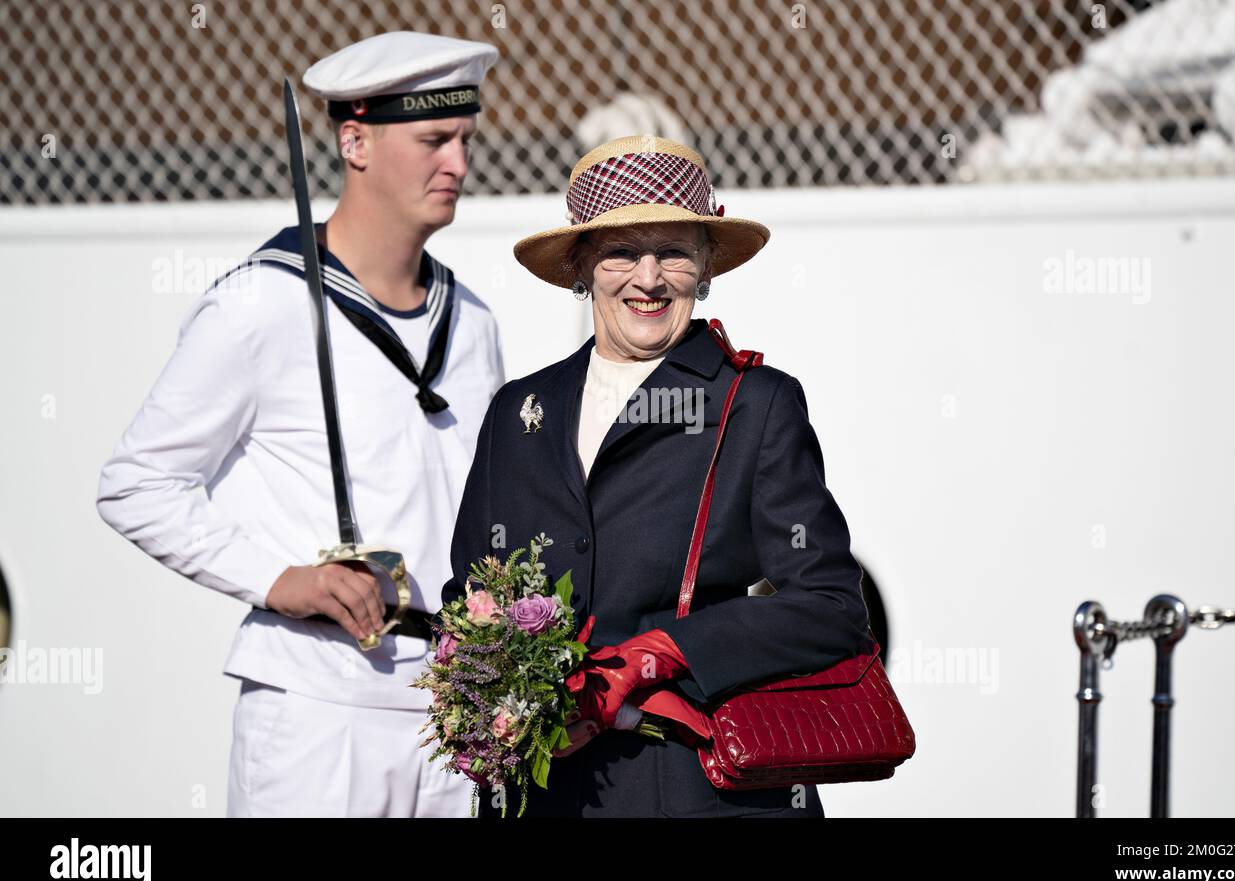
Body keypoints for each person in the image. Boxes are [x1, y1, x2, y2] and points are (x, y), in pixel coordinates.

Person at [95, 31, 504, 817]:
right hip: (316, 709)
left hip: (454, 715)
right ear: (354, 140)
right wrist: (281, 581)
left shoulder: (475, 321)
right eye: (432, 140)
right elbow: (137, 484)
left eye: (463, 139)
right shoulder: (262, 302)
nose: (457, 163)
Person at [439, 135, 874, 817]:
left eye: (672, 251)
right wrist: (491, 707)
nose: (648, 278)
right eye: (620, 252)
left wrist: (668, 651)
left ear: (704, 268)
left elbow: (834, 609)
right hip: (544, 799)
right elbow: (468, 602)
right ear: (581, 267)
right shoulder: (519, 410)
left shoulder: (753, 404)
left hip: (699, 790)